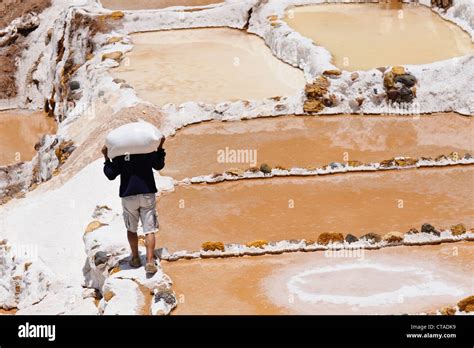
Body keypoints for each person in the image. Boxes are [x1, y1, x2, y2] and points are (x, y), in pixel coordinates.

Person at [101, 137, 166, 274]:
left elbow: (111, 174)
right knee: (149, 230)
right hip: (147, 193)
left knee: (132, 229)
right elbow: (159, 165)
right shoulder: (146, 152)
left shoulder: (122, 156)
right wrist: (160, 147)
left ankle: (135, 258)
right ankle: (149, 261)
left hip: (128, 195)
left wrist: (106, 157)